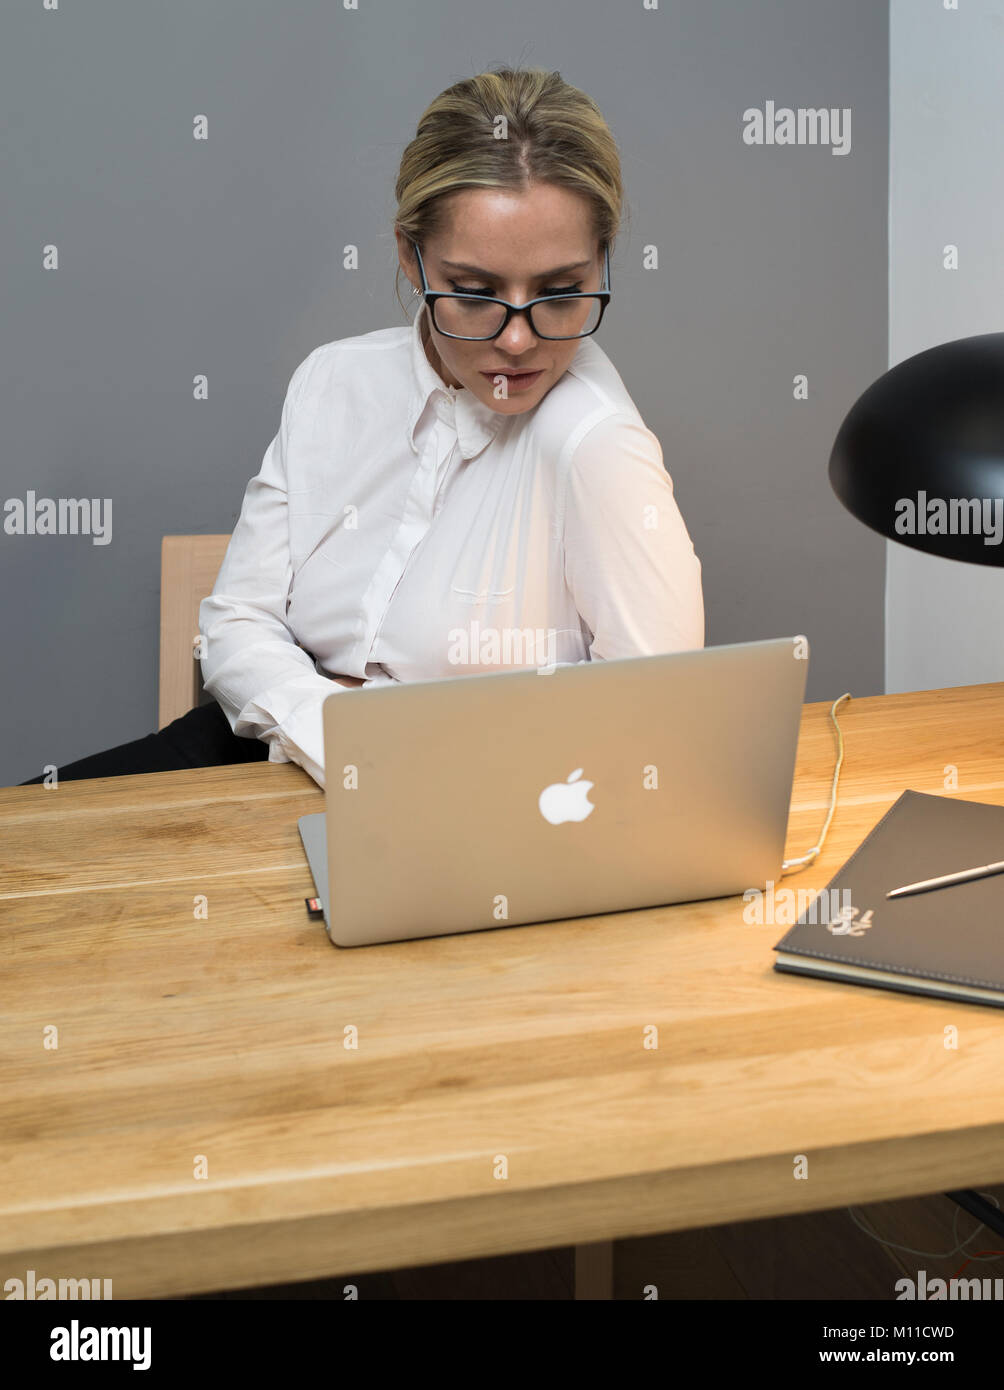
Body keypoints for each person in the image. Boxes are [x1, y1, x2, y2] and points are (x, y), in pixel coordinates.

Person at [19, 66, 703, 789]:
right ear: (410, 257)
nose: (517, 340)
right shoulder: (333, 382)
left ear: (603, 259)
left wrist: (397, 758)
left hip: (461, 793)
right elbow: (236, 624)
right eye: (475, 293)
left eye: (561, 292)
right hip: (263, 747)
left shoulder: (599, 446)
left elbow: (651, 737)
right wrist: (343, 735)